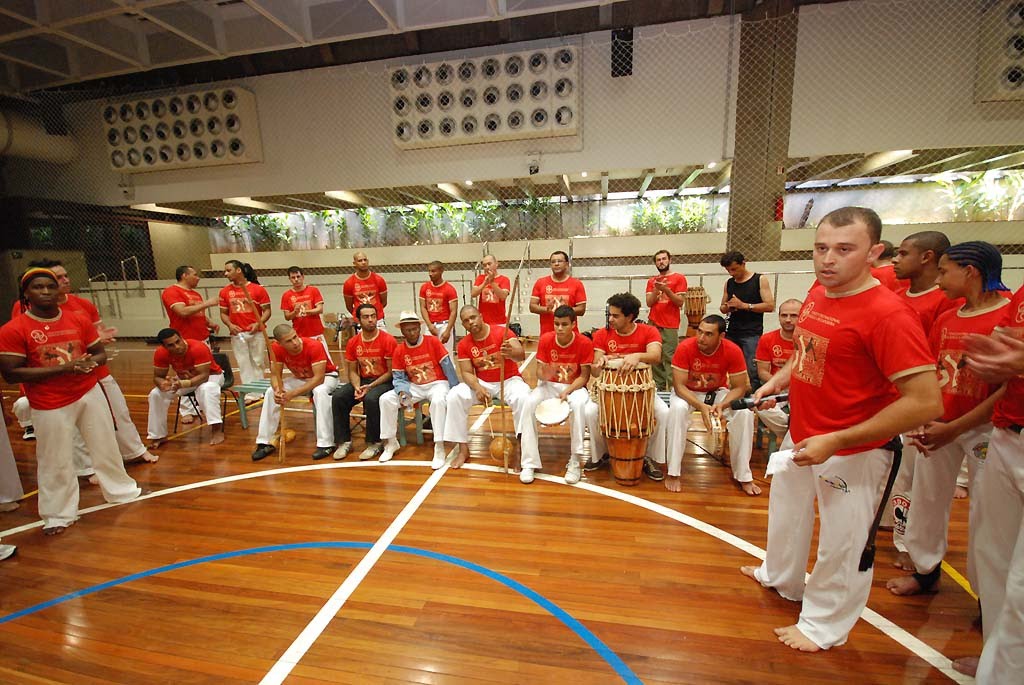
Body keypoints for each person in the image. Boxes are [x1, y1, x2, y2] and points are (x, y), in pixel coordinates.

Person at [739, 206, 942, 653]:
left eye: (844, 249)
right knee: (787, 511)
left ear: (875, 253)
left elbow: (926, 401)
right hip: (806, 433)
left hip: (856, 447)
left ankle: (823, 625)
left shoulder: (888, 314)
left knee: (842, 542)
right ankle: (779, 575)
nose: (827, 259)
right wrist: (779, 380)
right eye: (821, 248)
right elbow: (807, 349)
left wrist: (839, 439)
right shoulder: (818, 291)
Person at [885, 241, 1010, 598]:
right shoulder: (947, 318)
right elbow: (936, 373)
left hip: (984, 428)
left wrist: (957, 427)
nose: (938, 280)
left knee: (988, 517)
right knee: (926, 498)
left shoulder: (1005, 317)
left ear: (970, 272)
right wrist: (927, 419)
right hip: (940, 425)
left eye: (944, 271)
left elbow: (1007, 390)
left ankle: (990, 597)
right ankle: (926, 571)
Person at [0, 268, 142, 535]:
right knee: (54, 458)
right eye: (37, 287)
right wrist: (64, 369)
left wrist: (88, 364)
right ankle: (58, 514)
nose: (45, 292)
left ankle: (121, 490)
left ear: (58, 291)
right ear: (26, 294)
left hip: (88, 390)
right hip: (48, 400)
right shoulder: (14, 328)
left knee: (105, 444)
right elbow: (10, 373)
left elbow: (98, 353)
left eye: (50, 287)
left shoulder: (78, 319)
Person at [15, 259, 158, 466]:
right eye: (58, 277)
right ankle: (86, 467)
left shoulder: (82, 305)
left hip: (94, 374)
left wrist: (101, 338)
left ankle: (133, 450)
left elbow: (96, 335)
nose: (64, 280)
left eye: (65, 276)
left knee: (119, 412)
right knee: (73, 428)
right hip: (55, 384)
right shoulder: (22, 310)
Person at [958, 283, 1024, 682]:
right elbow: (1002, 347)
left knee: (1020, 581)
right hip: (1007, 431)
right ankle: (997, 658)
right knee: (994, 560)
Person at [886, 230, 964, 567]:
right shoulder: (896, 294)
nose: (895, 260)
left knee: (925, 482)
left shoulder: (947, 302)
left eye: (903, 254)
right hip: (891, 398)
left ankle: (918, 554)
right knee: (902, 474)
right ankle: (901, 539)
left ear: (927, 257)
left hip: (925, 398)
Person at [584, 292, 669, 483]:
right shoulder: (602, 334)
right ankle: (601, 454)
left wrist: (637, 356)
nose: (610, 319)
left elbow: (655, 356)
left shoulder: (649, 331)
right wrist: (602, 361)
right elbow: (595, 371)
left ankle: (650, 457)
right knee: (589, 411)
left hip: (642, 390)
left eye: (616, 316)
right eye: (610, 315)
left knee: (663, 413)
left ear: (630, 316)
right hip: (607, 390)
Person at [666, 315, 756, 495]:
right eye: (699, 331)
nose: (701, 338)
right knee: (677, 410)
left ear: (721, 336)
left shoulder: (732, 350)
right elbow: (679, 386)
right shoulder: (685, 347)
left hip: (717, 392)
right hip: (688, 394)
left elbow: (739, 387)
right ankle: (673, 472)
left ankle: (744, 476)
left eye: (708, 334)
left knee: (744, 414)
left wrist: (723, 405)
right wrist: (700, 406)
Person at [444, 305, 531, 469]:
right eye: (466, 321)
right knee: (454, 396)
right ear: (463, 325)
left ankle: (522, 449)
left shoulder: (501, 332)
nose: (471, 322)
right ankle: (462, 449)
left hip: (509, 379)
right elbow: (467, 372)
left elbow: (521, 354)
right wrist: (477, 387)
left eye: (473, 317)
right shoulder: (463, 344)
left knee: (524, 397)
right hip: (483, 382)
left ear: (481, 316)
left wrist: (511, 352)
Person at [520, 305, 595, 484]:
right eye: (556, 324)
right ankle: (529, 463)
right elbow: (540, 372)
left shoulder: (584, 343)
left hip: (575, 387)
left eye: (564, 324)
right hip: (549, 385)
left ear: (573, 324)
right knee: (529, 402)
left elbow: (584, 377)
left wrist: (567, 391)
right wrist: (543, 373)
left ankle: (575, 461)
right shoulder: (546, 339)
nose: (559, 328)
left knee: (578, 406)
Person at [378, 311, 459, 467]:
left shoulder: (433, 342)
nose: (413, 333)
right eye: (408, 330)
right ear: (402, 331)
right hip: (414, 386)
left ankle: (439, 446)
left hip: (437, 383)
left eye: (415, 329)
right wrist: (402, 392)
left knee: (437, 401)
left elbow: (447, 366)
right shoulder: (399, 350)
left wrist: (454, 388)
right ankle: (391, 442)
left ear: (419, 328)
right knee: (386, 399)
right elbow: (399, 377)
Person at [251, 324, 340, 462]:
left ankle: (326, 443)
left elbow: (318, 378)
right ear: (279, 343)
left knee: (320, 392)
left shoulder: (314, 345)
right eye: (289, 341)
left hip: (327, 376)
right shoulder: (275, 349)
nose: (295, 343)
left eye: (295, 337)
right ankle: (264, 442)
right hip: (300, 378)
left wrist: (292, 393)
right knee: (270, 392)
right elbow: (275, 375)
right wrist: (277, 389)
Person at [331, 304, 396, 461]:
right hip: (363, 380)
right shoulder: (354, 342)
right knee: (339, 397)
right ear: (358, 320)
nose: (371, 320)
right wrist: (357, 386)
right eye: (366, 317)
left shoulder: (388, 340)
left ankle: (374, 442)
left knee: (371, 398)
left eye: (373, 316)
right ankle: (344, 441)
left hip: (384, 381)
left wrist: (370, 387)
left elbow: (391, 372)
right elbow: (352, 370)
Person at [146, 328, 226, 448]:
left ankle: (216, 429)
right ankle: (158, 435)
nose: (177, 347)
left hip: (212, 376)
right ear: (164, 347)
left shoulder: (198, 347)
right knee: (156, 394)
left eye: (178, 341)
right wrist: (163, 384)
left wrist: (182, 384)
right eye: (171, 345)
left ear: (182, 337)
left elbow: (203, 376)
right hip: (184, 380)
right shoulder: (160, 353)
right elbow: (157, 377)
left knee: (206, 389)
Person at [719, 251, 775, 392]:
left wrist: (745, 306)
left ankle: (754, 399)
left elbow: (769, 305)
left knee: (752, 369)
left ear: (743, 263)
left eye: (734, 269)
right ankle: (731, 395)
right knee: (729, 366)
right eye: (728, 270)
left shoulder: (759, 280)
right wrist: (728, 307)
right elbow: (722, 307)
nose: (731, 273)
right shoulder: (729, 283)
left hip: (751, 333)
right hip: (732, 331)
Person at [219, 260, 271, 402]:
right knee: (243, 363)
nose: (226, 273)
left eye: (229, 270)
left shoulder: (257, 289)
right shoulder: (225, 292)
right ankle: (250, 393)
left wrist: (258, 323)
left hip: (256, 331)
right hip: (238, 333)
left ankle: (261, 390)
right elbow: (223, 313)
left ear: (239, 270)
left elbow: (267, 311)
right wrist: (230, 325)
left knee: (258, 361)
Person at [753, 299, 802, 445]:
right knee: (760, 406)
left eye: (794, 316)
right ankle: (792, 432)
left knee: (806, 411)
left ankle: (794, 433)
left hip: (801, 389)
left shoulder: (809, 340)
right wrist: (779, 384)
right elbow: (762, 372)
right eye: (784, 315)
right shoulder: (767, 339)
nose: (788, 320)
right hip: (776, 387)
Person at [645, 250, 688, 391]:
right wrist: (656, 291)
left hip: (670, 324)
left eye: (664, 259)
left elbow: (680, 302)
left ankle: (673, 390)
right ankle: (659, 389)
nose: (661, 262)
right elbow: (649, 303)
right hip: (653, 324)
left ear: (670, 260)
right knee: (655, 358)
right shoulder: (652, 281)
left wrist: (667, 290)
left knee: (670, 358)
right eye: (658, 260)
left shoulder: (679, 278)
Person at [530, 251, 586, 335]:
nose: (556, 264)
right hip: (547, 335)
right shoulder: (540, 282)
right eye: (553, 262)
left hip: (570, 335)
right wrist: (547, 309)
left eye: (559, 261)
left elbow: (581, 310)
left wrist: (563, 309)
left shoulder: (577, 284)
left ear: (567, 264)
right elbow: (532, 307)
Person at [161, 265, 220, 345]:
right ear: (185, 276)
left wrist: (210, 324)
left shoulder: (196, 294)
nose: (198, 278)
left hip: (203, 338)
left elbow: (198, 313)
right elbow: (182, 312)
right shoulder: (172, 291)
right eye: (195, 275)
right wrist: (207, 303)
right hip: (186, 339)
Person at [280, 266, 328, 355]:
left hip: (316, 333)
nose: (296, 279)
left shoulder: (313, 290)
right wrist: (295, 312)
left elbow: (320, 309)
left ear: (303, 277)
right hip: (299, 334)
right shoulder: (286, 295)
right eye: (293, 277)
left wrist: (305, 311)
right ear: (289, 279)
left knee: (324, 358)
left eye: (298, 276)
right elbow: (287, 317)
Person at [419, 261, 459, 355]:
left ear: (441, 271)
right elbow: (423, 307)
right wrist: (429, 325)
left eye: (433, 271)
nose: (430, 274)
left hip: (444, 324)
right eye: (429, 271)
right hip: (430, 325)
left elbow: (453, 311)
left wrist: (448, 330)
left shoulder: (449, 289)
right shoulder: (424, 287)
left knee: (446, 354)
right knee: (429, 354)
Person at [343, 251, 388, 326]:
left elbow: (384, 302)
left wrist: (373, 314)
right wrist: (361, 316)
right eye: (360, 260)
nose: (363, 262)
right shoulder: (349, 283)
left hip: (378, 320)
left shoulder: (379, 280)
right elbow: (349, 306)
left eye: (365, 260)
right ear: (354, 263)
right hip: (360, 321)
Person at [472, 254, 511, 325]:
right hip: (483, 322)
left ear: (496, 264)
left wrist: (492, 282)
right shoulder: (480, 278)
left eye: (489, 264)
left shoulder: (504, 279)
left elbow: (503, 296)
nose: (487, 267)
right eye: (484, 265)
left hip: (499, 322)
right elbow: (473, 294)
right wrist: (484, 283)